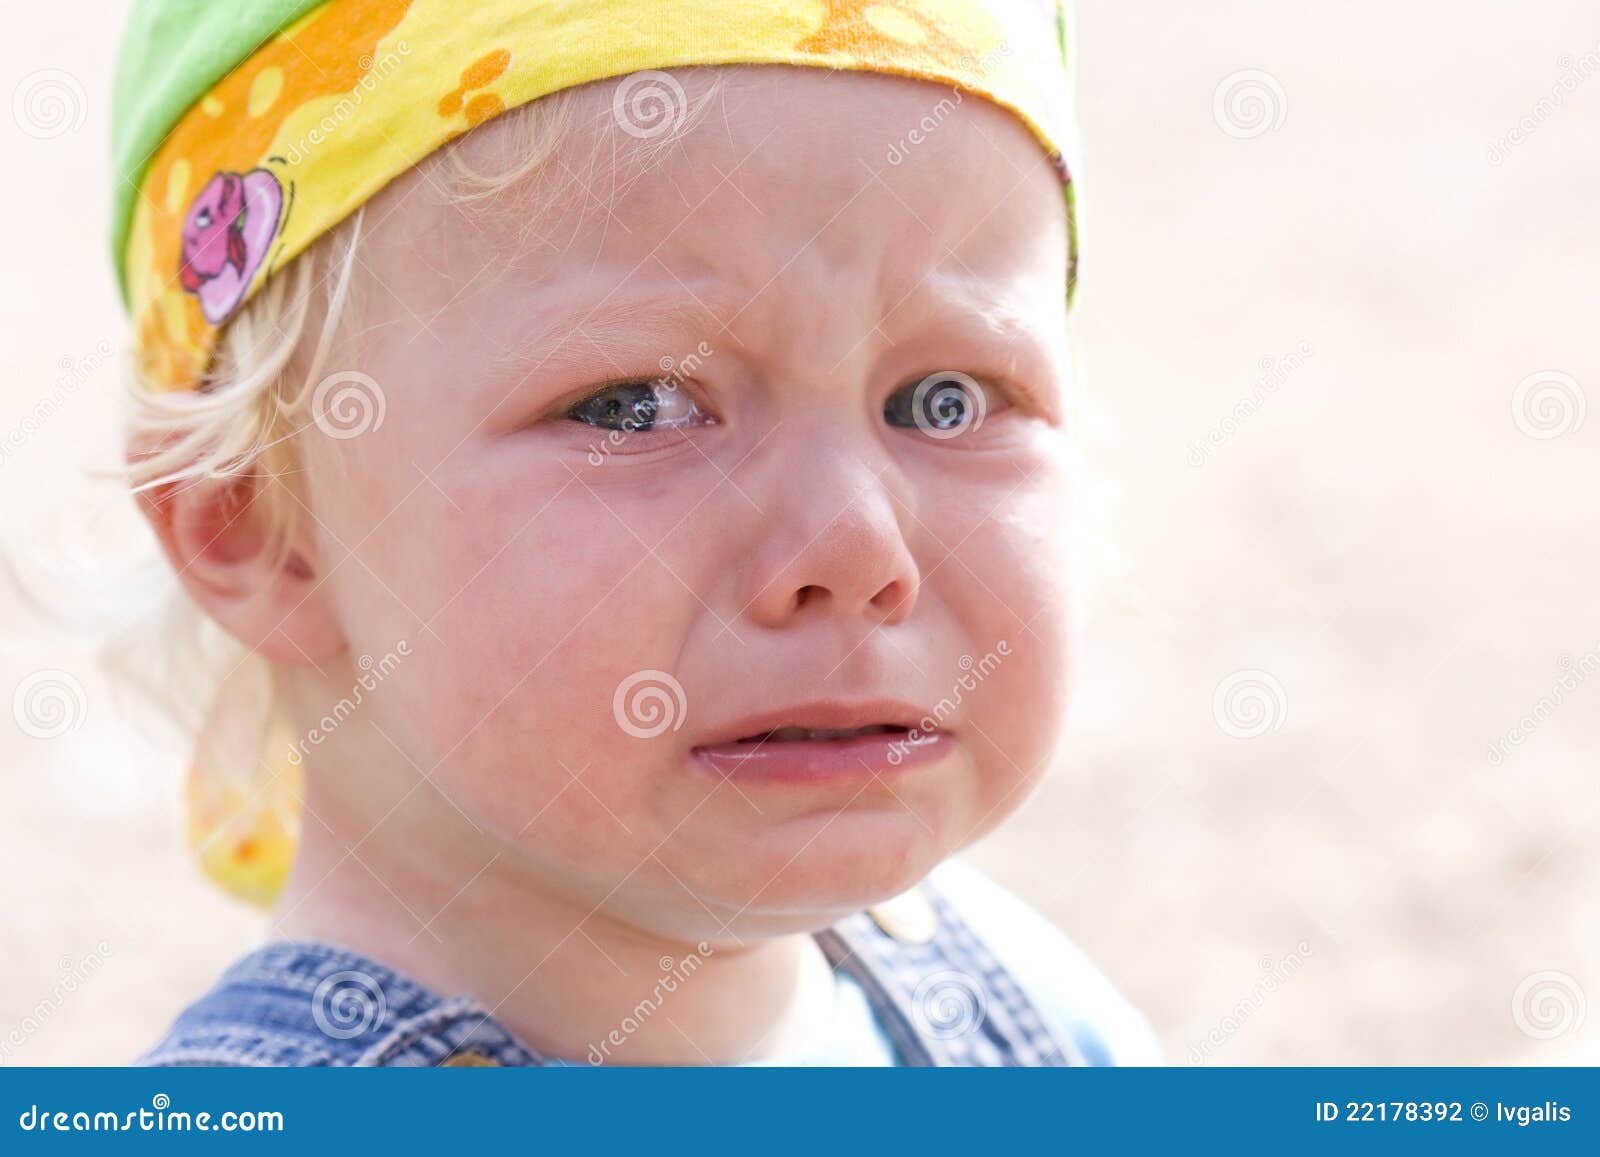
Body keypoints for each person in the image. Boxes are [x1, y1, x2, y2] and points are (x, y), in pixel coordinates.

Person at [111, 0, 1160, 1066]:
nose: (855, 548)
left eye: (946, 397)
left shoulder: (1026, 1014)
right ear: (257, 526)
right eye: (636, 406)